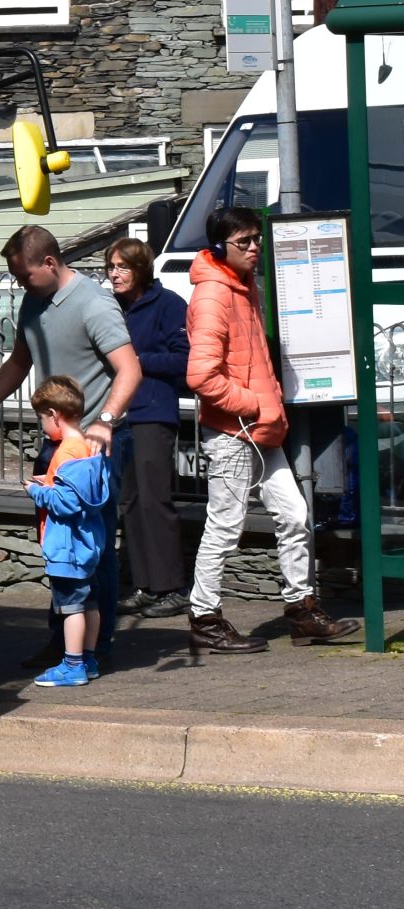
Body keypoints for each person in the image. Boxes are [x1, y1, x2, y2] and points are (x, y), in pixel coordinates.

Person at [184, 205, 361, 651]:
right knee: (224, 526)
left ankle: (301, 611)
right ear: (220, 247)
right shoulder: (213, 296)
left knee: (296, 516)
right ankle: (204, 617)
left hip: (259, 433)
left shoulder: (245, 288)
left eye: (256, 239)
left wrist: (262, 410)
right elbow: (201, 376)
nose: (254, 247)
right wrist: (256, 405)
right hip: (233, 433)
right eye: (243, 242)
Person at [0, 223, 142, 662]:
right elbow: (21, 360)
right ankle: (66, 641)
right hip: (59, 442)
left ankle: (92, 648)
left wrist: (104, 421)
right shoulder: (34, 300)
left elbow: (130, 369)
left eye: (24, 275)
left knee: (90, 547)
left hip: (95, 446)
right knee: (60, 544)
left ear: (49, 262)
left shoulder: (94, 304)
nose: (20, 283)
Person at [105, 237, 191, 620]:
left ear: (141, 269)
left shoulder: (169, 304)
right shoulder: (109, 308)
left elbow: (184, 359)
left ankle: (171, 588)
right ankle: (143, 585)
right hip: (119, 415)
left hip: (154, 411)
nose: (114, 274)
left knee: (156, 500)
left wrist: (135, 361)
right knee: (130, 502)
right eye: (110, 266)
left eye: (122, 267)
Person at [26, 375, 113, 688]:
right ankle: (88, 658)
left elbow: (65, 503)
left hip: (67, 545)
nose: (42, 426)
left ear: (54, 415)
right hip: (89, 542)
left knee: (71, 607)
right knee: (89, 603)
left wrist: (36, 491)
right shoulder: (91, 447)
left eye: (41, 419)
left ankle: (72, 664)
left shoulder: (64, 453)